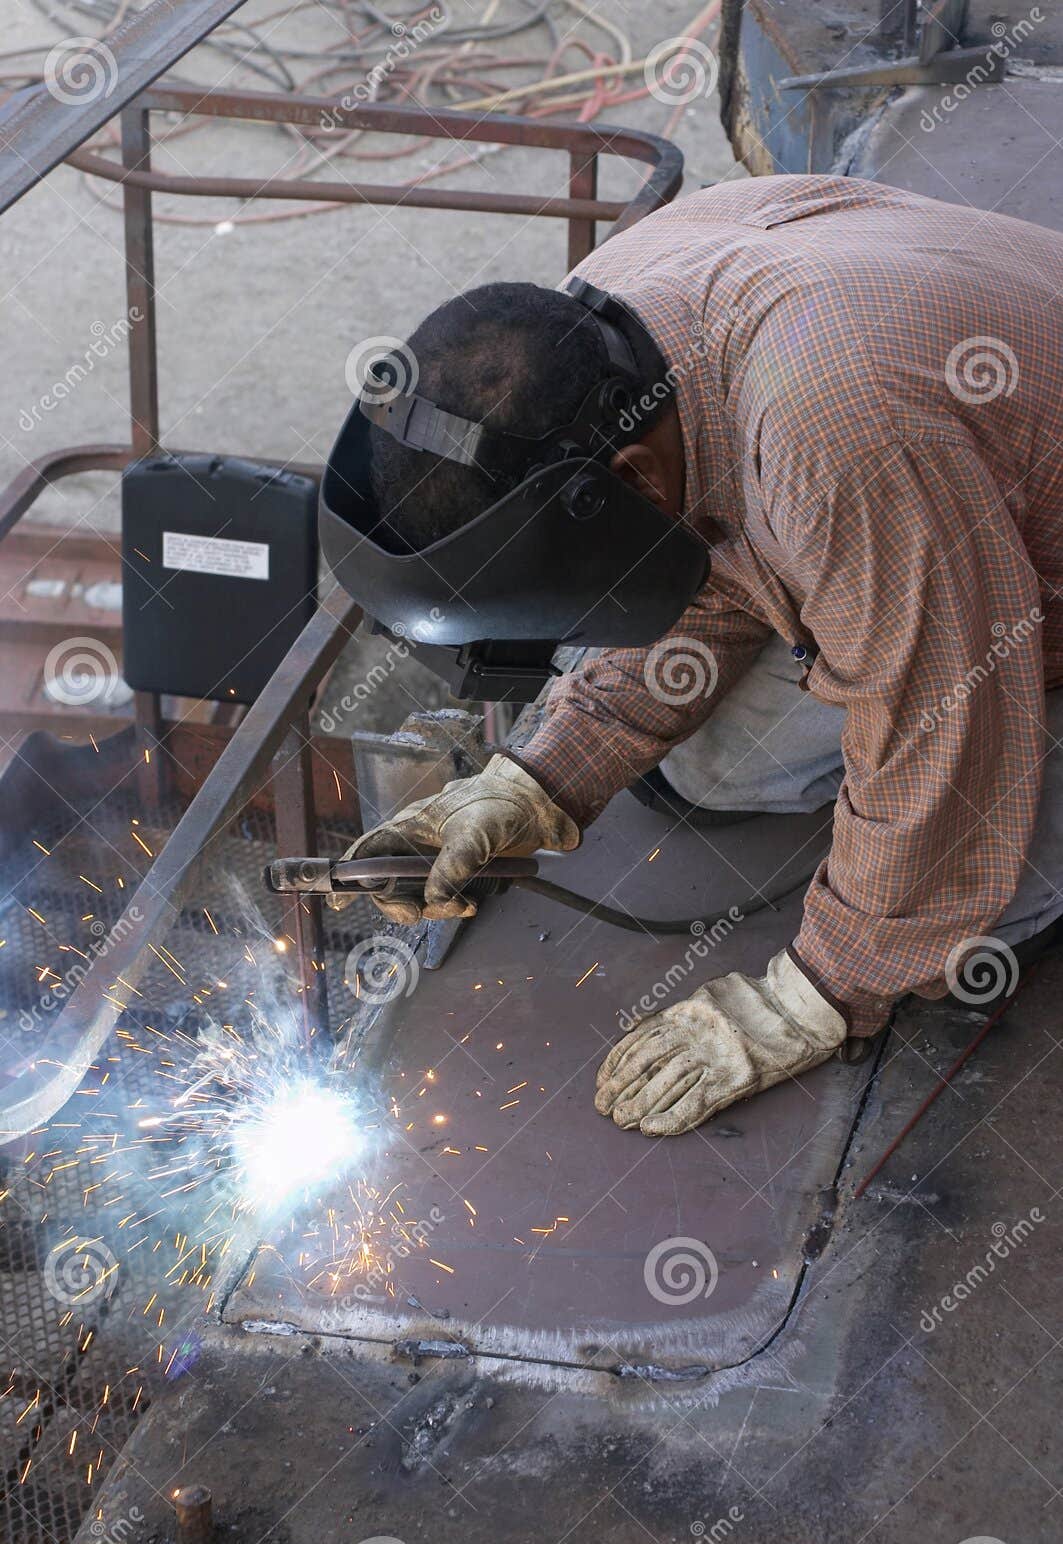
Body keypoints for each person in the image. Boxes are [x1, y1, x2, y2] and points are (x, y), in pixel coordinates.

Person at [331, 174, 1063, 1138]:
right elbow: (712, 551)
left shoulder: (839, 442)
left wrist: (809, 998)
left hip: (983, 542)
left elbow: (940, 717)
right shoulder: (599, 330)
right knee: (711, 766)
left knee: (966, 895)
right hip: (923, 491)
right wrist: (534, 779)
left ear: (625, 479)